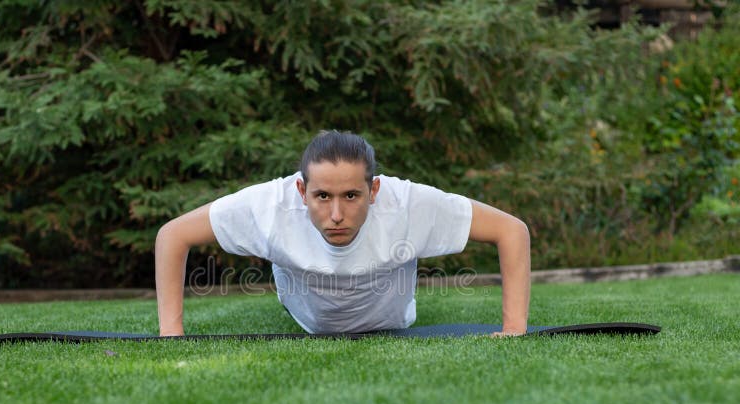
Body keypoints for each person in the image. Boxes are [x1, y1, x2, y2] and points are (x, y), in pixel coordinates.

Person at [155, 130, 530, 336]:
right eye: (322, 196)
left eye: (351, 195)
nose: (337, 214)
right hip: (306, 317)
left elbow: (511, 230)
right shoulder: (270, 206)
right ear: (302, 192)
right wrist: (171, 334)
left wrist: (514, 329)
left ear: (375, 190)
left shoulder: (408, 203)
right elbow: (173, 236)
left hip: (392, 321)